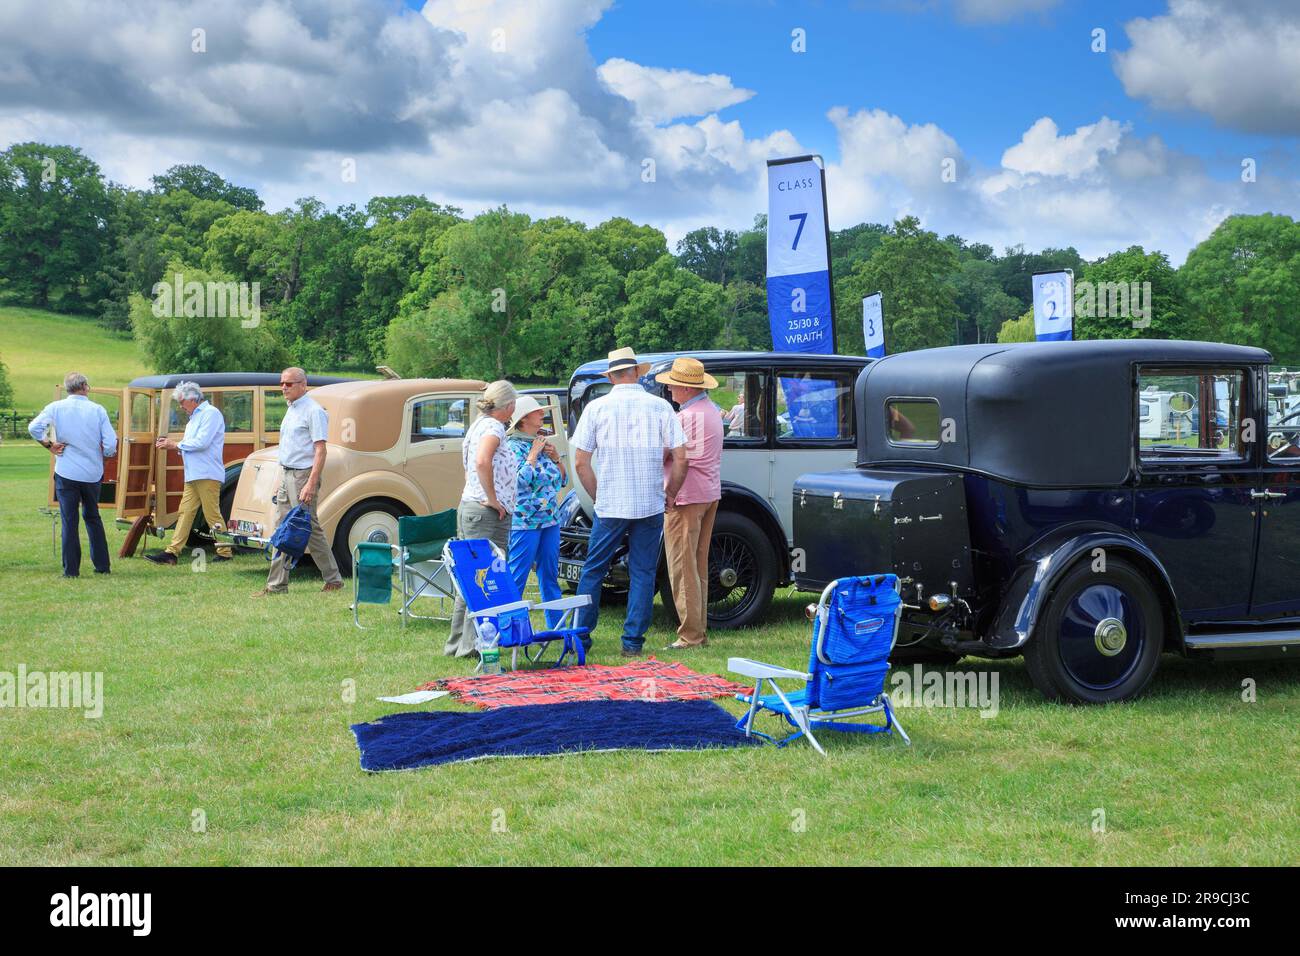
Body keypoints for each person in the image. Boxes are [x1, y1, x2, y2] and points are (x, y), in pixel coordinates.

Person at [573, 347, 686, 657]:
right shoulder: (660, 407)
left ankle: (580, 637)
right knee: (643, 573)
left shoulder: (597, 408)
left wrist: (598, 496)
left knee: (594, 570)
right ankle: (632, 642)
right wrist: (672, 492)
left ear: (610, 376)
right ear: (637, 372)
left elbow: (581, 462)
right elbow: (681, 456)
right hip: (649, 502)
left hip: (611, 502)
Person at [253, 367, 344, 596]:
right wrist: (281, 478)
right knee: (282, 528)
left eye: (289, 384)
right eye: (282, 383)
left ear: (303, 385)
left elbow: (321, 450)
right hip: (287, 474)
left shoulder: (313, 411)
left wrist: (311, 483)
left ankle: (333, 579)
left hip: (303, 475)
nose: (284, 387)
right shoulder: (291, 409)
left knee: (308, 528)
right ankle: (277, 585)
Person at [444, 380, 519, 658]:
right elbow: (482, 461)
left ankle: (458, 644)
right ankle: (474, 644)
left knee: (468, 577)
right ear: (509, 405)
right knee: (484, 578)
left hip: (472, 507)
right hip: (486, 512)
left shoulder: (479, 424)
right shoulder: (493, 427)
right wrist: (492, 497)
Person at [656, 357, 723, 649]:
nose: (670, 388)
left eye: (673, 384)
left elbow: (670, 455)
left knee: (683, 567)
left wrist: (668, 491)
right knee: (696, 565)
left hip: (685, 497)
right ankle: (697, 630)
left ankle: (691, 634)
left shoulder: (686, 417)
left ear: (685, 388)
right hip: (706, 493)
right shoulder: (709, 411)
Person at [28, 372, 118, 577]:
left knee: (69, 520)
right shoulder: (97, 410)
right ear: (85, 387)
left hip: (67, 470)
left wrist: (49, 445)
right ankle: (102, 566)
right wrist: (105, 456)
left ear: (68, 389)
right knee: (93, 516)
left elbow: (34, 427)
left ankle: (71, 570)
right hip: (92, 472)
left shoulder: (56, 407)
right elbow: (111, 443)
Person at [146, 382, 233, 566]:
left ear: (193, 399)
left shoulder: (210, 414)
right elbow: (191, 444)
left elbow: (201, 443)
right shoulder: (195, 417)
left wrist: (174, 445)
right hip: (194, 473)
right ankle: (172, 553)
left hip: (207, 473)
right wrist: (176, 445)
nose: (180, 406)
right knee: (185, 512)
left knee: (212, 515)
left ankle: (225, 551)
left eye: (182, 401)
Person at [506, 396, 566, 629]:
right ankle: (510, 628)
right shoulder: (513, 447)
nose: (542, 413)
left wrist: (556, 459)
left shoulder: (543, 443)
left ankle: (557, 628)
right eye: (537, 411)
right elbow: (518, 482)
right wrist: (532, 455)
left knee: (550, 575)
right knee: (517, 576)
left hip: (550, 520)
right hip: (525, 522)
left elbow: (561, 480)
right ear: (524, 419)